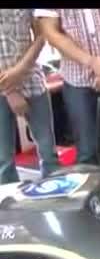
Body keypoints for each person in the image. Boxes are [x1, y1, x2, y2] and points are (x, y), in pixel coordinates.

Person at [35, 9, 100, 175]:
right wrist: (92, 62)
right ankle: (94, 190)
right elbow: (52, 34)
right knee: (86, 150)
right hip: (76, 78)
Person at [0, 9, 60, 184]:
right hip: (2, 89)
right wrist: (9, 91)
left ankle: (55, 195)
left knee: (48, 153)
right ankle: (10, 201)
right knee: (4, 161)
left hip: (32, 79)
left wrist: (19, 71)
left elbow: (41, 36)